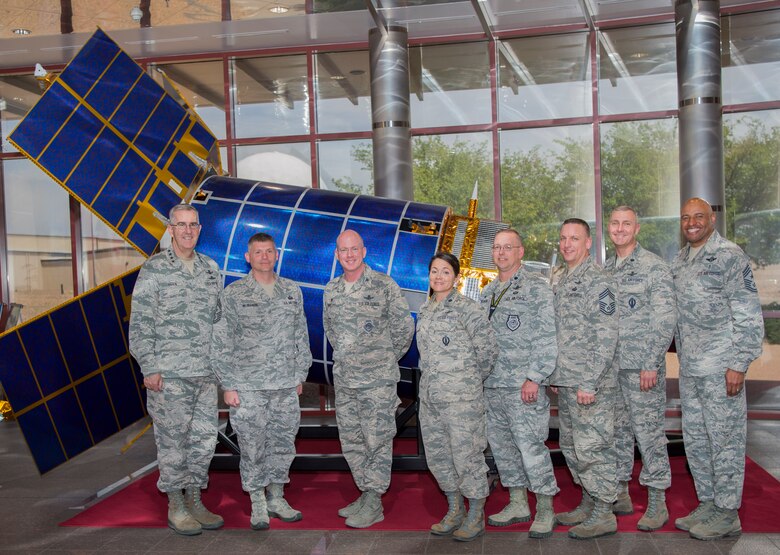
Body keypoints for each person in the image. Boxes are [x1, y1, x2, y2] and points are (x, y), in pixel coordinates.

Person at [672, 198, 764, 540]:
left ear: (712, 218)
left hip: (721, 368)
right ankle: (709, 502)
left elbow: (747, 313)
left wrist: (739, 364)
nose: (692, 222)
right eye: (686, 218)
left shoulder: (729, 255)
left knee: (725, 440)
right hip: (691, 368)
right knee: (697, 440)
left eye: (699, 216)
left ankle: (727, 512)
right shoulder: (681, 260)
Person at [129, 204, 224, 536]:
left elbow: (219, 322)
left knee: (203, 440)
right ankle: (176, 504)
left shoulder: (210, 269)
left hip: (204, 375)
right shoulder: (154, 270)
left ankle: (195, 498)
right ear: (170, 229)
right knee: (173, 442)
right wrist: (149, 367)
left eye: (193, 225)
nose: (187, 230)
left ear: (199, 229)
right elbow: (140, 324)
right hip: (168, 376)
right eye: (180, 225)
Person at [212, 233, 312, 530]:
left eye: (269, 251)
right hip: (248, 387)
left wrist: (299, 375)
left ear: (277, 255)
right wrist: (228, 384)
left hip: (284, 385)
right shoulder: (233, 294)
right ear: (248, 257)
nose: (264, 257)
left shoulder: (292, 290)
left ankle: (277, 497)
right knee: (253, 446)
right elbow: (221, 341)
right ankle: (257, 500)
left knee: (283, 444)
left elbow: (301, 336)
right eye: (258, 252)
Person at [323, 229, 414, 528]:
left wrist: (384, 358)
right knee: (352, 440)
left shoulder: (383, 285)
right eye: (343, 250)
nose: (349, 255)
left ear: (364, 251)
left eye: (354, 249)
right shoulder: (331, 290)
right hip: (346, 380)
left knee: (377, 440)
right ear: (337, 255)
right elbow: (331, 331)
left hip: (377, 381)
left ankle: (374, 501)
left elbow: (404, 328)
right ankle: (366, 492)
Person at [478, 229, 559, 539]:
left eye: (508, 247)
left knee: (530, 448)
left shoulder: (536, 289)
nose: (501, 253)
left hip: (522, 385)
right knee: (502, 447)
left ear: (520, 252)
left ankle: (545, 508)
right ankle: (517, 502)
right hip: (493, 385)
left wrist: (535, 377)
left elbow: (546, 336)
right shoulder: (487, 292)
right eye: (497, 247)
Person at [416, 252, 498, 542]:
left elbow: (487, 352)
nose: (439, 277)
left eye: (445, 272)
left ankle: (475, 513)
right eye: (434, 271)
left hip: (462, 400)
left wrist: (469, 382)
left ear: (457, 277)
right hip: (432, 399)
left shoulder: (468, 310)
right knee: (439, 456)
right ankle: (454, 510)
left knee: (466, 457)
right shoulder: (425, 310)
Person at [605, 206, 676, 531]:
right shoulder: (606, 268)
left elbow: (664, 318)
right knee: (618, 430)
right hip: (613, 369)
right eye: (615, 223)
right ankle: (621, 491)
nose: (620, 229)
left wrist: (651, 361)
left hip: (641, 368)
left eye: (626, 224)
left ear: (637, 229)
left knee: (648, 433)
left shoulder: (653, 267)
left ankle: (657, 500)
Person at [550, 217, 619, 540]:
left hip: (590, 384)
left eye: (574, 238)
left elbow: (606, 337)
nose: (567, 244)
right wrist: (555, 372)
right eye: (563, 238)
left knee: (592, 447)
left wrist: (590, 382)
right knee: (572, 446)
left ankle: (604, 512)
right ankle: (589, 501)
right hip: (567, 381)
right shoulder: (562, 278)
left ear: (588, 243)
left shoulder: (598, 281)